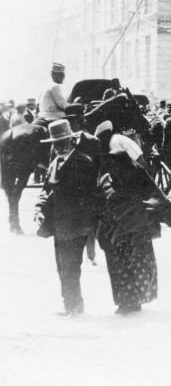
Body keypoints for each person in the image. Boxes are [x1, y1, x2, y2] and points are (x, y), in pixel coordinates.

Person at [34, 119, 99, 316]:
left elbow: (91, 197)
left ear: (72, 141)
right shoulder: (54, 163)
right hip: (58, 225)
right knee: (61, 267)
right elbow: (46, 191)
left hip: (76, 226)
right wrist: (38, 209)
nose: (59, 147)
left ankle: (75, 306)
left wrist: (87, 225)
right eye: (56, 143)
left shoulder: (83, 162)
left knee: (71, 267)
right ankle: (68, 303)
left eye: (63, 142)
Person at [95, 135, 160, 315]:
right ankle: (132, 301)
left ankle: (127, 302)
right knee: (134, 265)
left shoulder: (109, 177)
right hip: (130, 230)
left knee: (122, 267)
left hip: (122, 230)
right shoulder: (135, 173)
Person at [35, 63, 70, 129]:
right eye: (60, 74)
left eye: (63, 74)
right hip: (52, 117)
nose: (63, 77)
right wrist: (72, 107)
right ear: (53, 74)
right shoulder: (55, 86)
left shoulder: (45, 85)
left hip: (43, 115)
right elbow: (63, 104)